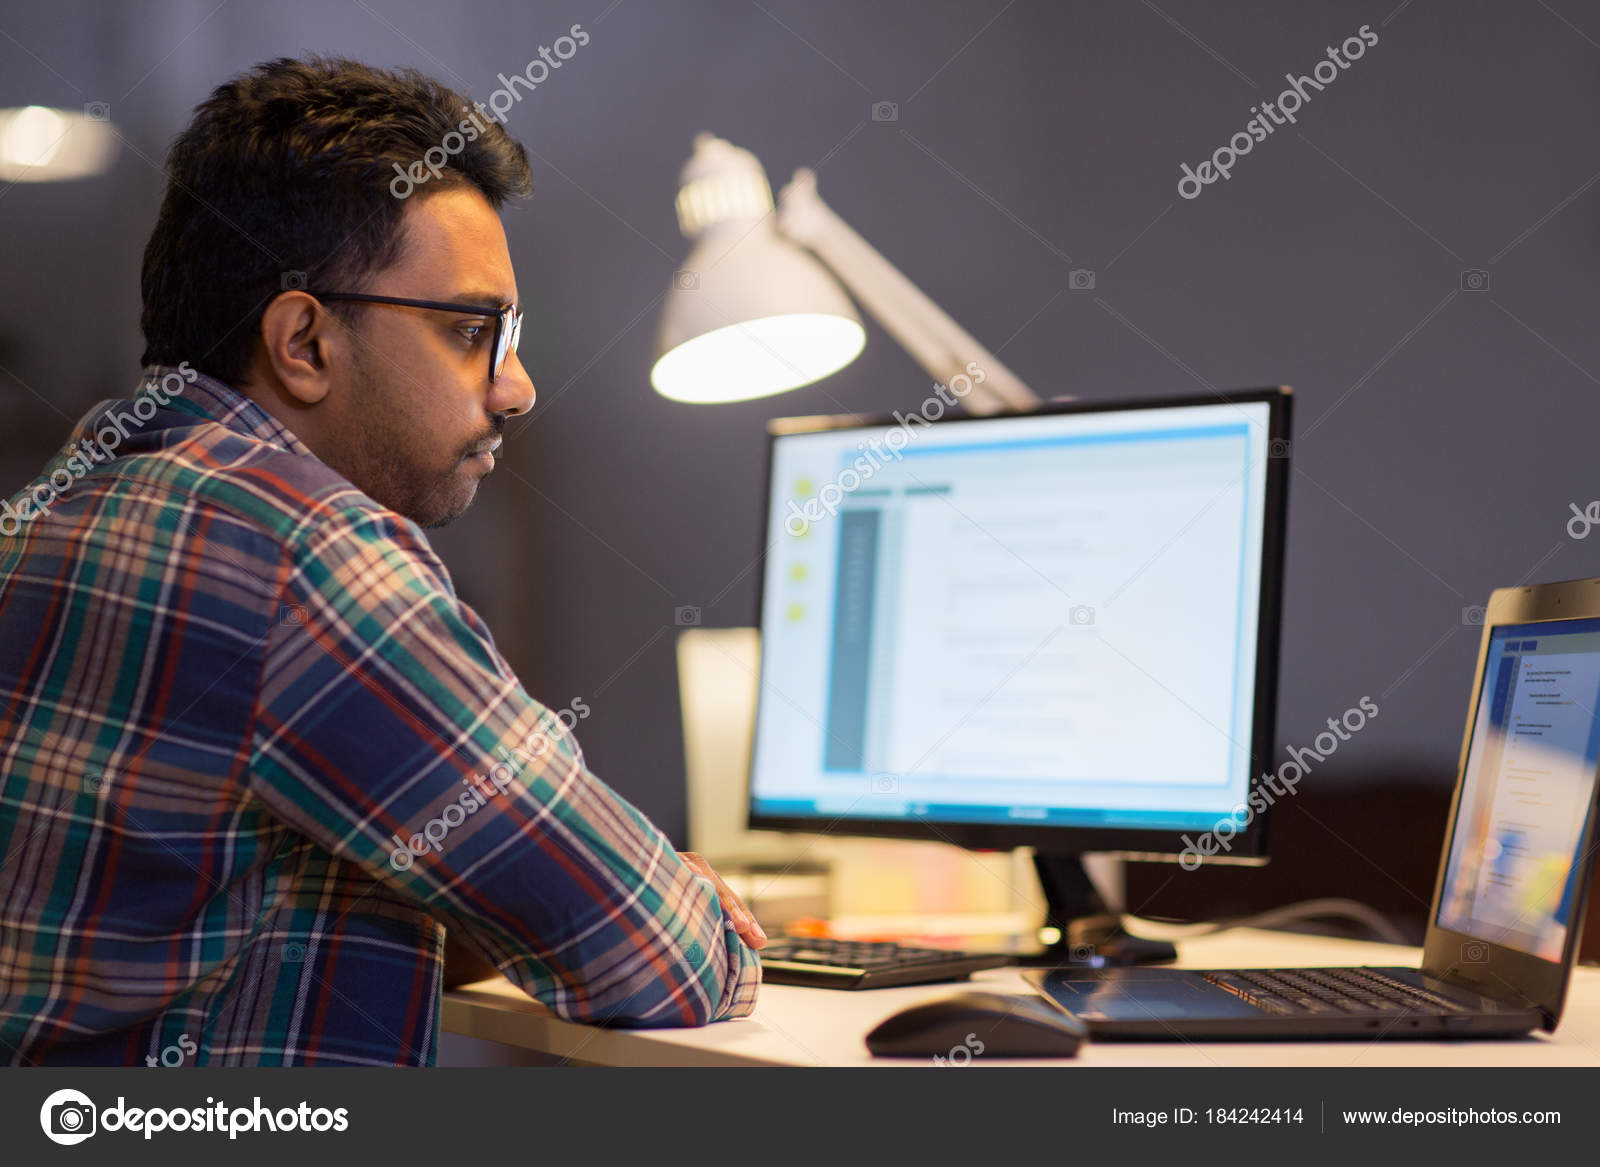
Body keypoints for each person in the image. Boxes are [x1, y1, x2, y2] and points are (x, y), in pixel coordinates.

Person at [0, 56, 763, 1067]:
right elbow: (659, 959)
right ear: (304, 341)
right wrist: (686, 902)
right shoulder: (300, 554)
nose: (516, 387)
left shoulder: (48, 515)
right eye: (469, 332)